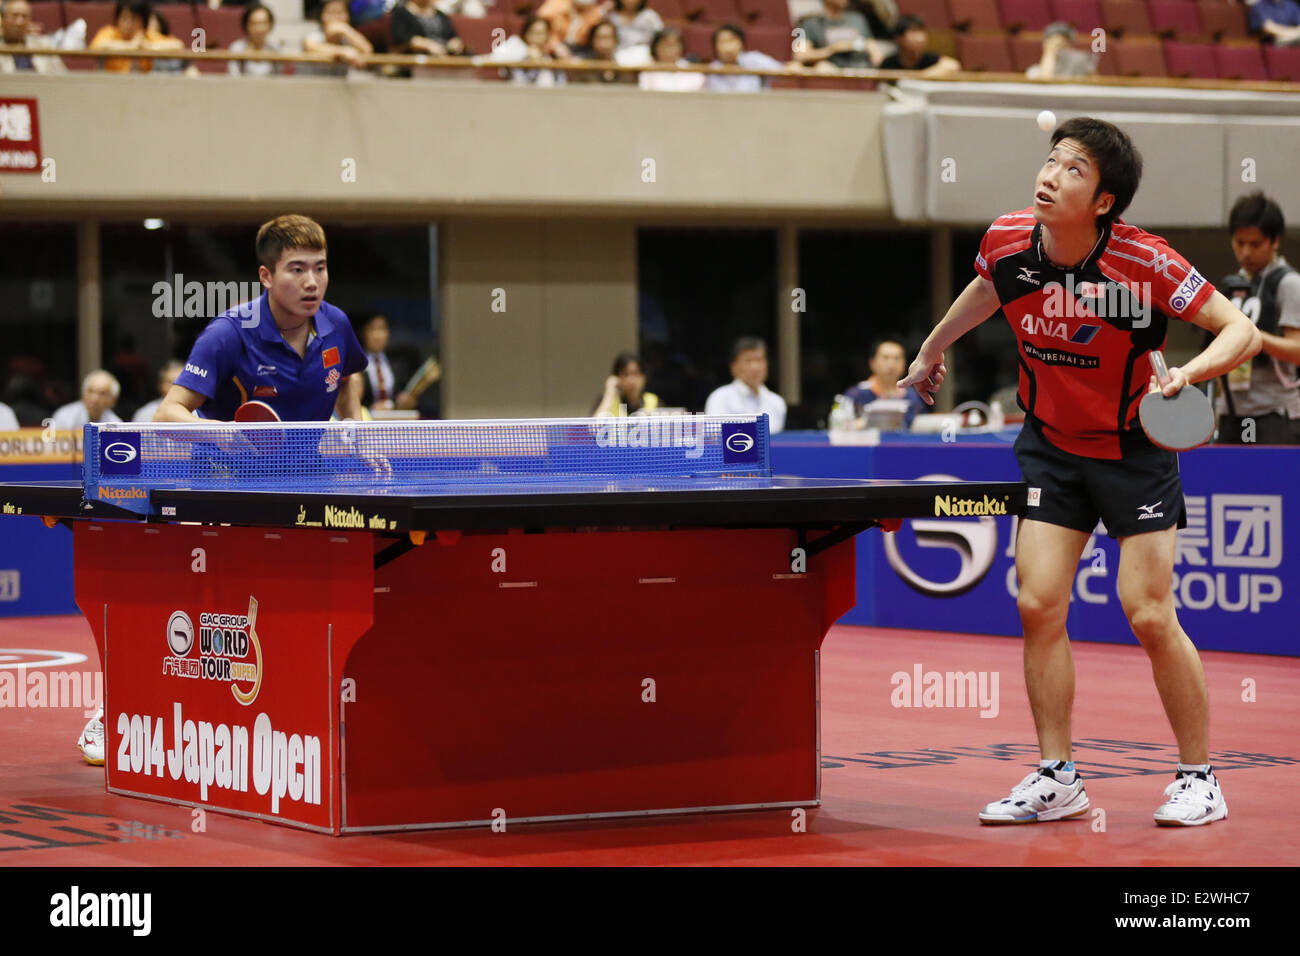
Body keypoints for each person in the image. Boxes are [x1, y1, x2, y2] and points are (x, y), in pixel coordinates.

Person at [898, 117, 1259, 827]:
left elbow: (1237, 328)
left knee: (1149, 613)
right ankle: (1058, 777)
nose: (1051, 175)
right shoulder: (1007, 240)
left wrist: (1190, 371)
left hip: (1132, 448)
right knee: (1037, 604)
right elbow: (988, 289)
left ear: (1103, 200)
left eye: (1073, 170)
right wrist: (932, 349)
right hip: (1053, 446)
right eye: (1052, 161)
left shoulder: (1143, 260)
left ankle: (1200, 777)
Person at [77, 215, 371, 766]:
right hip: (224, 491)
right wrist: (223, 432)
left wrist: (354, 430)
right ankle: (110, 710)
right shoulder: (227, 334)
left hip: (302, 493)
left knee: (292, 607)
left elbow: (347, 375)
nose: (312, 282)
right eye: (296, 270)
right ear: (265, 275)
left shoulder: (335, 325)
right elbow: (170, 411)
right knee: (183, 613)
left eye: (321, 268)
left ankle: (296, 713)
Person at [1214, 192, 1300, 444]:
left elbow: (1297, 351)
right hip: (1230, 412)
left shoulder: (1289, 284)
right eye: (1239, 243)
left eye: (1255, 244)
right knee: (1227, 485)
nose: (1246, 252)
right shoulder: (1233, 286)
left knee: (1273, 485)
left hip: (1274, 414)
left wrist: (1250, 335)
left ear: (1274, 241)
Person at [704, 337, 787, 431]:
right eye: (748, 361)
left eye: (759, 360)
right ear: (733, 367)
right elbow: (715, 439)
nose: (755, 367)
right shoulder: (719, 398)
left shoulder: (777, 402)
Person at [840, 338, 928, 427]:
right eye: (885, 358)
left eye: (897, 358)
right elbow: (838, 426)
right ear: (872, 363)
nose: (891, 364)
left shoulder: (912, 396)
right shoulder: (856, 394)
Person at [795, 0, 888, 71]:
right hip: (832, 70)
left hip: (861, 69)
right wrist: (832, 49)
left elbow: (872, 46)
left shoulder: (857, 19)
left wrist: (874, 53)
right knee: (822, 68)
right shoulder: (811, 23)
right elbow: (800, 56)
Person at [88, 0, 173, 74]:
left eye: (134, 19)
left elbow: (177, 45)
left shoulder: (146, 36)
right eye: (124, 18)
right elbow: (97, 46)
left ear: (143, 21)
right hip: (110, 84)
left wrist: (148, 46)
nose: (128, 24)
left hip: (142, 86)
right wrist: (131, 45)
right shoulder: (109, 32)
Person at [707, 23, 788, 93]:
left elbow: (783, 71)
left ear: (741, 43)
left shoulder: (755, 60)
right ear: (715, 46)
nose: (728, 47)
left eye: (732, 40)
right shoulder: (711, 69)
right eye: (722, 42)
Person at [301, 0, 373, 76]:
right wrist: (343, 52)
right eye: (330, 12)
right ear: (322, 16)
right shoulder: (315, 35)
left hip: (339, 86)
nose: (335, 17)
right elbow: (309, 46)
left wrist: (345, 30)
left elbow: (367, 50)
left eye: (340, 12)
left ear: (348, 16)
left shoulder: (346, 40)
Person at [878, 15, 960, 77]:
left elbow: (953, 65)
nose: (921, 38)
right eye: (914, 32)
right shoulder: (889, 63)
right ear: (899, 38)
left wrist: (918, 76)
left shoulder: (929, 59)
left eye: (922, 32)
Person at [0, 0, 67, 74]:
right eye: (14, 16)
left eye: (24, 16)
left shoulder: (43, 45)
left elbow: (63, 76)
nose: (20, 22)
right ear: (3, 20)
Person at [51, 370, 123, 431]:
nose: (94, 399)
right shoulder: (64, 416)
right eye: (90, 391)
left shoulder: (117, 425)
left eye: (102, 393)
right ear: (83, 393)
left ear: (113, 400)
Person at [390, 0, 465, 58]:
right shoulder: (401, 13)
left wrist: (455, 43)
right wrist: (427, 45)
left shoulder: (441, 15)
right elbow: (400, 37)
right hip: (416, 58)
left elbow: (454, 36)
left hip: (446, 56)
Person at [593, 352, 659, 416]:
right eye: (625, 374)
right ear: (617, 378)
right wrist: (609, 395)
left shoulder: (654, 402)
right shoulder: (606, 401)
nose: (631, 380)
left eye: (635, 374)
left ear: (644, 378)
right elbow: (592, 426)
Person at [1025, 21, 1097, 79]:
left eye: (1063, 45)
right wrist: (1050, 52)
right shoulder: (1034, 71)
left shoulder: (1081, 67)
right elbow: (1044, 82)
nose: (1060, 50)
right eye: (1056, 45)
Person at [228, 4, 284, 77]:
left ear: (270, 25)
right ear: (246, 25)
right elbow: (233, 78)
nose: (259, 29)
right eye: (254, 23)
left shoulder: (276, 49)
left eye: (264, 23)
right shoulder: (236, 48)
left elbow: (278, 79)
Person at [639, 27, 704, 91]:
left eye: (673, 45)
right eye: (664, 45)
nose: (669, 51)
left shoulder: (692, 71)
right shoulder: (648, 72)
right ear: (655, 48)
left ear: (681, 47)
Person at [508, 17, 567, 86]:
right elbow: (518, 84)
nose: (537, 37)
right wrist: (532, 64)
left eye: (541, 33)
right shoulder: (518, 58)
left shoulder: (554, 59)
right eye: (533, 32)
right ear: (525, 34)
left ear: (548, 35)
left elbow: (562, 84)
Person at [572, 19, 632, 83]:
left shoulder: (624, 70)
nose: (604, 43)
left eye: (607, 37)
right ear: (593, 41)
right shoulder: (584, 69)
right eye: (599, 38)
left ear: (616, 41)